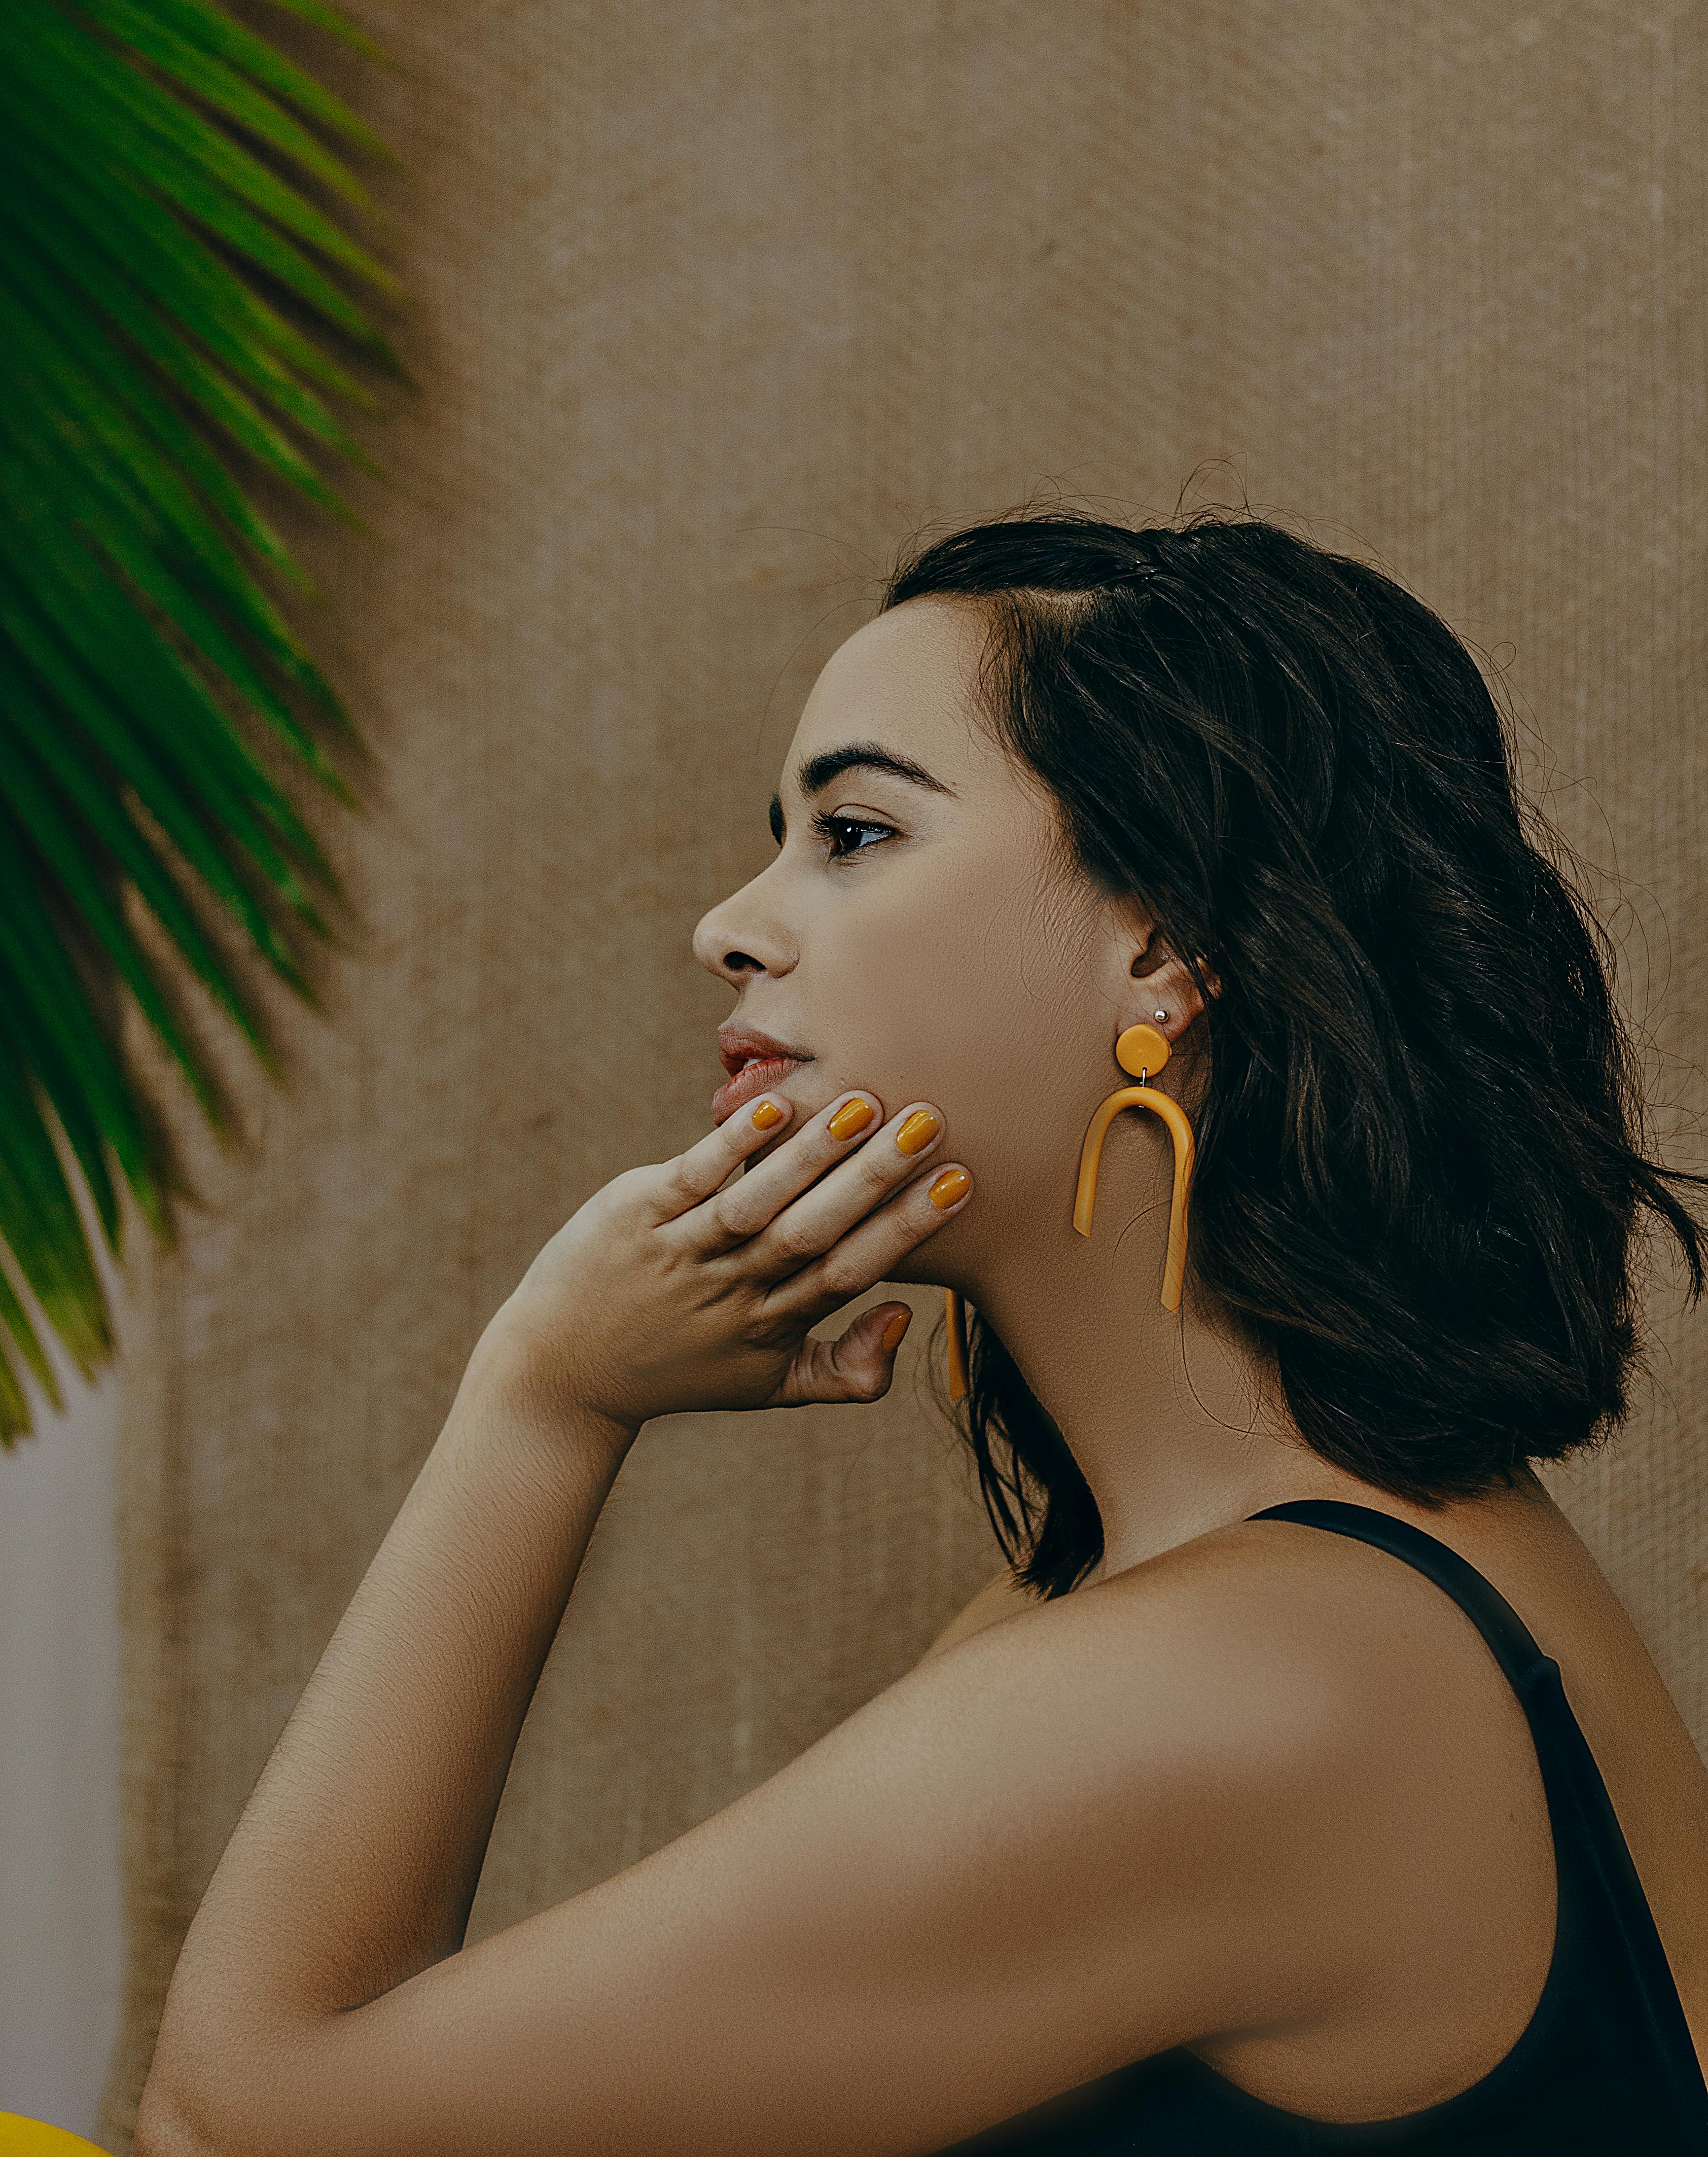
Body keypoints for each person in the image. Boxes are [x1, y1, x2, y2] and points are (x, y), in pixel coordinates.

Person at [137, 513, 1708, 2156]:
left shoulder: (1250, 1681)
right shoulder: (1206, 1601)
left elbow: (233, 2127)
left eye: (859, 831)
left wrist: (543, 1401)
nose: (732, 924)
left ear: (1165, 944)